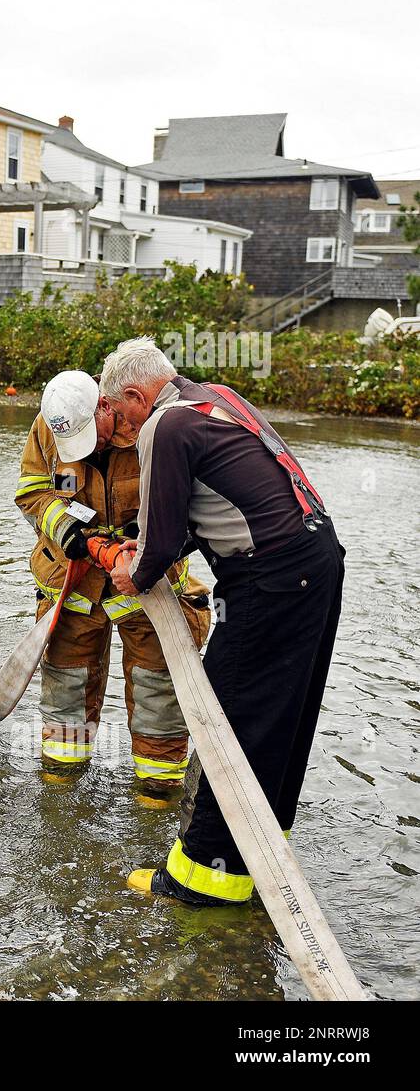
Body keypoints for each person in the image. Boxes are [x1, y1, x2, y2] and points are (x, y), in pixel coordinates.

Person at [99, 337, 345, 906]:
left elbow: (160, 543)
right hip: (320, 560)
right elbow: (211, 509)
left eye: (121, 413)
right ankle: (264, 847)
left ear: (137, 395)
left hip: (270, 578)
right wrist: (151, 550)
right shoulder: (217, 398)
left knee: (227, 717)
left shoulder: (165, 427)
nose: (124, 429)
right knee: (284, 713)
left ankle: (203, 878)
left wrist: (131, 572)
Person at [17, 371, 211, 795]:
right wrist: (66, 530)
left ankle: (156, 797)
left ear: (106, 406)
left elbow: (196, 505)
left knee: (157, 689)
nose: (91, 449)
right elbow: (32, 493)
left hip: (147, 587)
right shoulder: (51, 425)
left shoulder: (154, 426)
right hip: (72, 587)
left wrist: (140, 546)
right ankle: (61, 790)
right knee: (65, 688)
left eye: (95, 434)